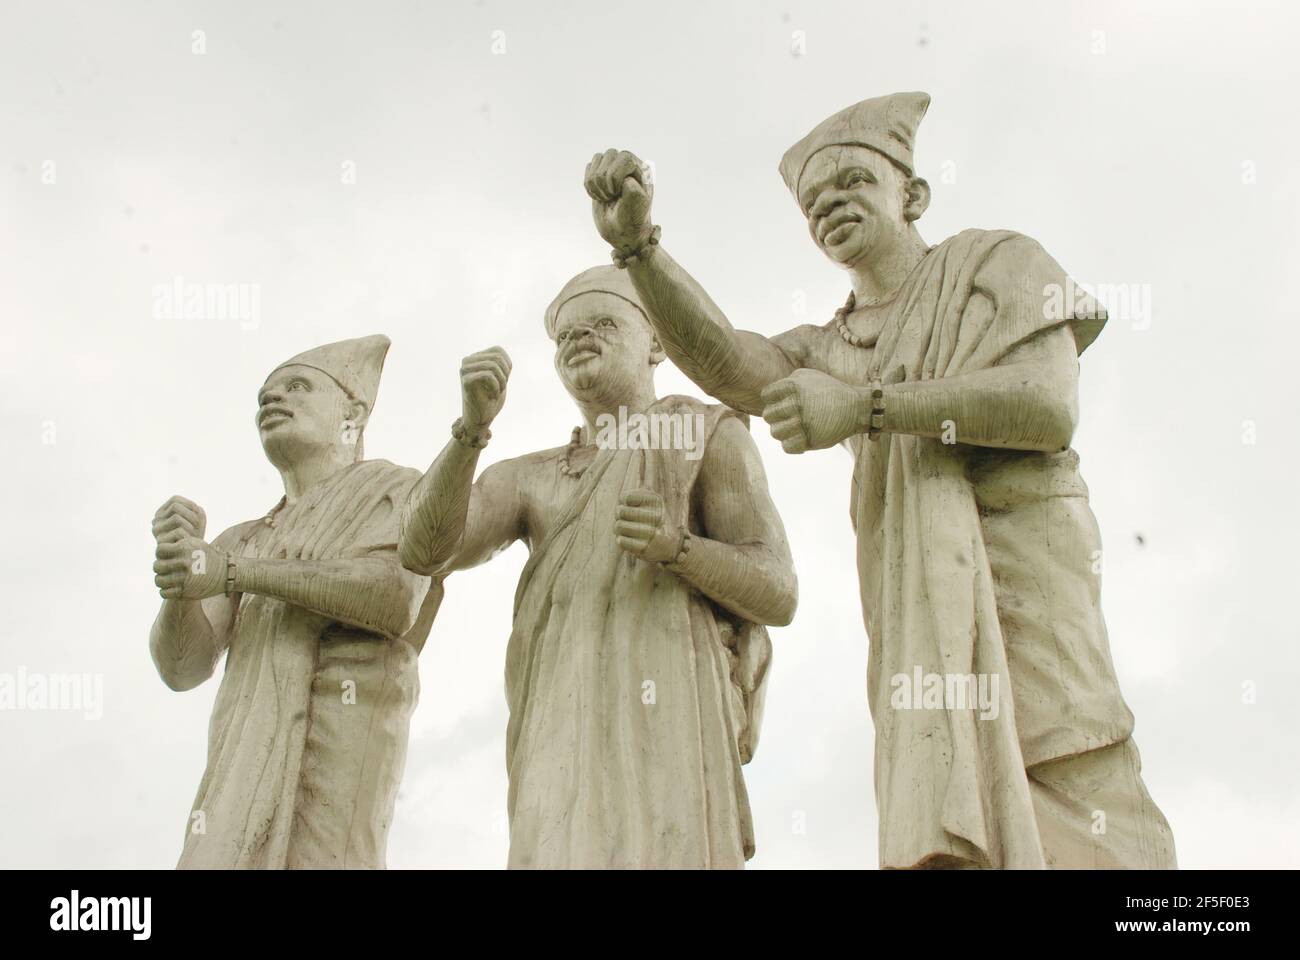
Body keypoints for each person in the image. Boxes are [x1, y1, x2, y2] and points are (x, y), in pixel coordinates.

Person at [582, 92, 1176, 869]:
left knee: (1073, 763)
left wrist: (865, 407)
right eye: (814, 204)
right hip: (917, 617)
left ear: (913, 194)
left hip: (1028, 588)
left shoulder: (997, 263)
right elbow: (729, 360)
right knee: (944, 772)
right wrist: (640, 251)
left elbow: (1046, 405)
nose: (832, 207)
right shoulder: (830, 346)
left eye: (855, 182)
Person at [398, 267, 796, 868]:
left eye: (604, 323)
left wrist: (679, 549)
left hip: (674, 709)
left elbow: (777, 590)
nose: (579, 340)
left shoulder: (705, 433)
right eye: (565, 336)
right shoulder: (528, 477)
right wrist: (471, 431)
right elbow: (425, 551)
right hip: (558, 716)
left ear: (657, 342)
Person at [149, 334, 441, 869]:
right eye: (265, 395)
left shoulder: (394, 489)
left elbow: (396, 598)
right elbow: (183, 667)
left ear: (352, 411)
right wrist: (179, 584)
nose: (272, 400)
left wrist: (234, 572)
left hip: (340, 738)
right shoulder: (242, 536)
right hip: (240, 761)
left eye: (296, 387)